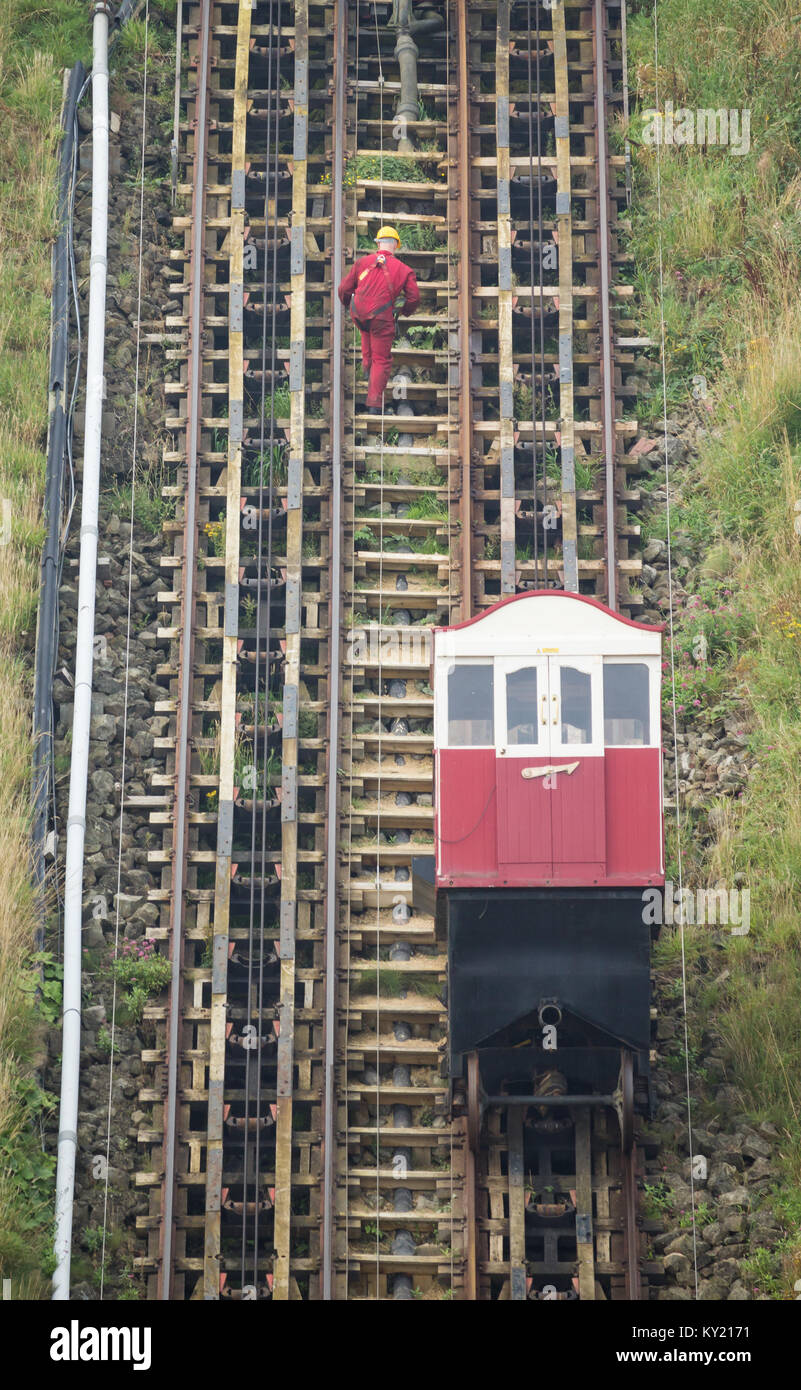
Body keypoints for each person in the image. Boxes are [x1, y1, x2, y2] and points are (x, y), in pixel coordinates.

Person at [337, 227, 420, 415]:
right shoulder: (404, 270)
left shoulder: (362, 262)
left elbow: (343, 289)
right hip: (381, 317)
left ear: (378, 244)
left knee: (367, 335)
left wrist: (347, 305)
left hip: (359, 313)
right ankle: (374, 404)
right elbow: (414, 298)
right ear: (395, 246)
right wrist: (403, 311)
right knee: (382, 359)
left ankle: (367, 371)